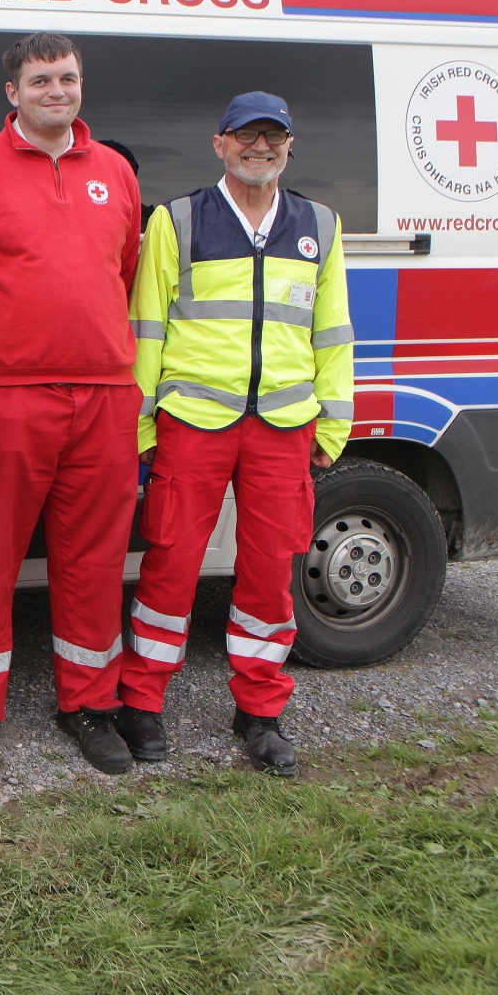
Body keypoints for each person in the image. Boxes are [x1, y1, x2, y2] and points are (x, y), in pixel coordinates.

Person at [0, 32, 143, 778]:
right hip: (9, 398)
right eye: (42, 79)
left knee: (95, 562)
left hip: (106, 396)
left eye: (69, 77)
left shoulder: (114, 171)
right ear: (12, 93)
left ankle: (89, 705)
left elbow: (124, 272)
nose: (58, 89)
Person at [115, 92, 354, 777]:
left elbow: (333, 334)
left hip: (285, 428)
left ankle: (260, 711)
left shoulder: (320, 225)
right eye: (246, 135)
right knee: (170, 566)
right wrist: (142, 425)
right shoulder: (177, 219)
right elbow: (146, 328)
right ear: (219, 144)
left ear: (290, 144)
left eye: (273, 135)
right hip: (192, 423)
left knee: (269, 577)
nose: (260, 146)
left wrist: (332, 426)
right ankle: (141, 702)